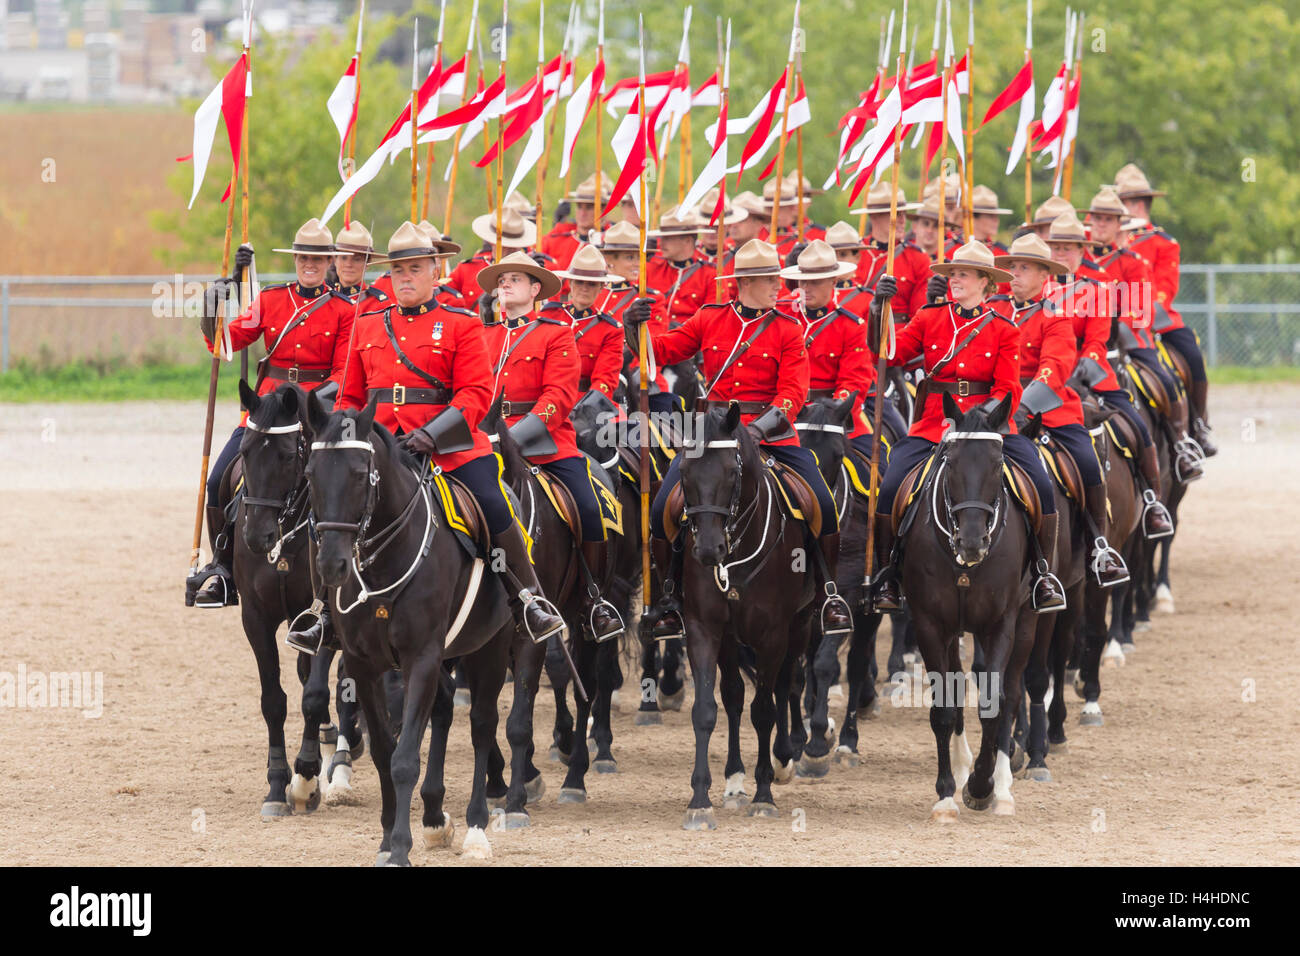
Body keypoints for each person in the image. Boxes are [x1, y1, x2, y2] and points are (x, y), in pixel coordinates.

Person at [320, 221, 566, 646]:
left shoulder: (462, 324)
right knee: (326, 508)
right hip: (381, 447)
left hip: (448, 449)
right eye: (398, 270)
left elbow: (476, 392)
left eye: (415, 269)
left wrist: (432, 435)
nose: (406, 278)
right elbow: (350, 395)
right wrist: (345, 439)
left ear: (436, 272)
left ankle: (527, 598)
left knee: (493, 503)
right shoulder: (368, 325)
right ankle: (320, 610)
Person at [625, 239, 853, 641]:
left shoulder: (786, 329)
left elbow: (792, 393)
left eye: (777, 279)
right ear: (745, 281)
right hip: (711, 437)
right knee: (663, 510)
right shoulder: (709, 318)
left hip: (771, 436)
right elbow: (660, 351)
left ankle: (826, 592)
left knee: (820, 502)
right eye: (769, 280)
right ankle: (669, 599)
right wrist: (635, 326)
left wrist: (757, 429)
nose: (778, 287)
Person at [868, 240, 1066, 613]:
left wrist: (980, 420)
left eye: (963, 274)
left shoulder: (1005, 329)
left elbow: (1009, 387)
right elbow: (889, 352)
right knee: (892, 484)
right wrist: (880, 309)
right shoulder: (930, 317)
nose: (955, 279)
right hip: (932, 423)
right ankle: (889, 576)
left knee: (1040, 483)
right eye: (952, 273)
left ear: (985, 283)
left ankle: (1042, 573)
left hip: (988, 428)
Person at [189, 219, 354, 609]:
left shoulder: (344, 310)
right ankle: (223, 569)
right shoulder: (271, 299)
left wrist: (310, 403)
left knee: (339, 488)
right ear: (294, 259)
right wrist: (220, 295)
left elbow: (344, 372)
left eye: (316, 258)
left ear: (329, 262)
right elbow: (225, 342)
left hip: (315, 414)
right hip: (265, 413)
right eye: (302, 257)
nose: (308, 264)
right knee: (218, 480)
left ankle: (341, 576)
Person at [479, 251, 624, 641]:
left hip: (545, 443)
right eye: (502, 279)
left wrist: (513, 439)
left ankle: (594, 598)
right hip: (484, 438)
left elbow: (558, 397)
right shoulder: (483, 335)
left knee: (590, 508)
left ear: (535, 289)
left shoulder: (556, 333)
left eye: (515, 279)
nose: (504, 284)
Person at [995, 233, 1130, 586]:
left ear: (1044, 276)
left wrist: (1025, 406)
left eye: (1025, 268)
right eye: (1012, 267)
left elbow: (1054, 366)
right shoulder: (994, 308)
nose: (1016, 274)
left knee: (1085, 459)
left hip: (1046, 405)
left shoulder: (1055, 314)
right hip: (994, 403)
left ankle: (1099, 545)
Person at [1047, 209, 1175, 538]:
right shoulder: (1037, 290)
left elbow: (1096, 343)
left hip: (1088, 373)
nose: (1062, 254)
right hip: (1041, 377)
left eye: (1069, 248)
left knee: (1135, 424)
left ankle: (1152, 499)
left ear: (1081, 251)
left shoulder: (1096, 289)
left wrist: (1078, 374)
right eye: (1056, 247)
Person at [1086, 190, 1204, 481]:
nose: (1100, 224)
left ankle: (1180, 444)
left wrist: (1116, 327)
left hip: (1127, 340)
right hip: (1087, 344)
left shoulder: (1132, 261)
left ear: (1118, 225)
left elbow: (1138, 306)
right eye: (1096, 218)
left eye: (1107, 219)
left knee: (1163, 380)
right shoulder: (1079, 259)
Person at [1113, 164, 1216, 455]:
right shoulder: (1109, 244)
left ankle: (1198, 422)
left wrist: (1138, 315)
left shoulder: (1162, 242)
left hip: (1156, 320)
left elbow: (1164, 290)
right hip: (1111, 322)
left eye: (1120, 203)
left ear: (1136, 203)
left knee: (1192, 356)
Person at [780, 239, 889, 460]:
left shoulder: (850, 325)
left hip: (831, 415)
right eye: (802, 281)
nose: (806, 288)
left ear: (833, 281)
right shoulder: (782, 317)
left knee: (879, 464)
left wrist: (834, 409)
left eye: (815, 282)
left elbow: (855, 379)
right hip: (784, 412)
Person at [593, 221, 676, 413]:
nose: (637, 264)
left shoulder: (650, 298)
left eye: (639, 258)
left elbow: (653, 347)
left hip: (639, 379)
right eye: (630, 258)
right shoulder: (594, 294)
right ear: (609, 260)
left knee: (667, 433)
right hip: (596, 377)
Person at [549, 244, 625, 403]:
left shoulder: (611, 330)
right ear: (570, 283)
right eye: (579, 282)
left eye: (591, 284)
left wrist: (587, 408)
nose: (584, 288)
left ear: (601, 287)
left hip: (583, 401)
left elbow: (605, 379)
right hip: (543, 399)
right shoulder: (549, 315)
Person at [444, 206, 537, 312]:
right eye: (505, 244)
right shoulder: (467, 269)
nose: (510, 248)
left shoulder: (531, 273)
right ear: (492, 241)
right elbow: (442, 301)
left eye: (514, 245)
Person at [646, 205, 717, 326]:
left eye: (668, 238)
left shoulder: (710, 275)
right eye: (662, 237)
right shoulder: (650, 268)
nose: (661, 242)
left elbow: (713, 320)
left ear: (688, 240)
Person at [540, 172, 611, 271]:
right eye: (579, 206)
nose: (582, 213)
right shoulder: (558, 237)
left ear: (603, 210)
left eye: (589, 207)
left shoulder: (611, 242)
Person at [969, 185, 1012, 255]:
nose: (996, 220)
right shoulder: (951, 249)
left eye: (996, 216)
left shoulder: (1002, 253)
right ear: (973, 218)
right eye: (990, 216)